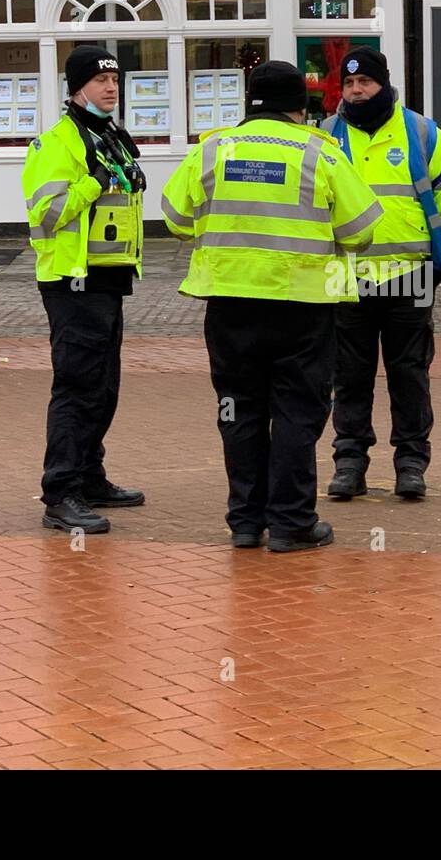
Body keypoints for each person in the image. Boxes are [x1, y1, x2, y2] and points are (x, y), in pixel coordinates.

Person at [160, 61, 381, 552]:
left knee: (238, 412)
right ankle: (291, 524)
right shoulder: (318, 153)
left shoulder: (213, 149)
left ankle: (244, 522)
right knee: (297, 416)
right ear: (299, 109)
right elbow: (362, 230)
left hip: (230, 305)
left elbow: (174, 218)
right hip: (302, 307)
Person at [317, 46, 441, 502]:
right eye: (349, 84)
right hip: (345, 276)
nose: (358, 91)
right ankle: (350, 462)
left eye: (366, 82)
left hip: (412, 272)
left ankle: (410, 463)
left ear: (384, 84)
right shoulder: (326, 135)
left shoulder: (422, 133)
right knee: (349, 376)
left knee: (410, 374)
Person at [22, 46, 148, 535]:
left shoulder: (110, 135)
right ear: (76, 88)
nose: (111, 88)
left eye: (115, 80)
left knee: (104, 387)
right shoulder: (57, 143)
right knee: (77, 388)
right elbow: (48, 214)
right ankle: (60, 493)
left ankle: (90, 477)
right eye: (100, 81)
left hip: (108, 277)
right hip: (72, 280)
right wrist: (92, 184)